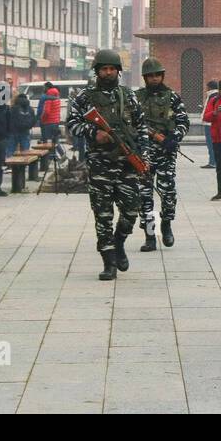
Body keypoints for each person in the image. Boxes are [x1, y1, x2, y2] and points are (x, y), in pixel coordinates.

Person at [66, 50, 151, 281]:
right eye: (104, 69)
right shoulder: (85, 97)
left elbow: (142, 128)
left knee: (131, 210)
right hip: (100, 166)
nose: (108, 72)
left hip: (127, 165)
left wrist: (144, 157)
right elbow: (72, 124)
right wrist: (94, 133)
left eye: (112, 69)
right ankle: (109, 262)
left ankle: (119, 242)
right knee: (102, 215)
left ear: (118, 72)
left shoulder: (129, 96)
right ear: (97, 71)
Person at [134, 58, 190, 252]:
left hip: (166, 152)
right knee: (144, 195)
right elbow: (130, 123)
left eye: (157, 75)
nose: (154, 79)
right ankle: (150, 235)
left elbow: (183, 121)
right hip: (143, 153)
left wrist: (174, 137)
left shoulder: (172, 97)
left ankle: (166, 224)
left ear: (162, 76)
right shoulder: (136, 98)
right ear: (145, 78)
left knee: (167, 192)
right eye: (150, 76)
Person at [7, 91, 36, 159]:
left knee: (11, 149)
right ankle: (24, 164)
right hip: (25, 131)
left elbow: (8, 119)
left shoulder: (13, 108)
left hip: (13, 132)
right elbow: (34, 120)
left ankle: (10, 164)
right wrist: (29, 126)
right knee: (25, 150)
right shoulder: (30, 109)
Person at [201, 80, 220, 169]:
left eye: (207, 86)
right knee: (212, 143)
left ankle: (213, 162)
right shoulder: (214, 96)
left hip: (210, 123)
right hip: (211, 123)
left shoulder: (212, 96)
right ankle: (213, 161)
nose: (206, 88)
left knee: (211, 143)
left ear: (210, 87)